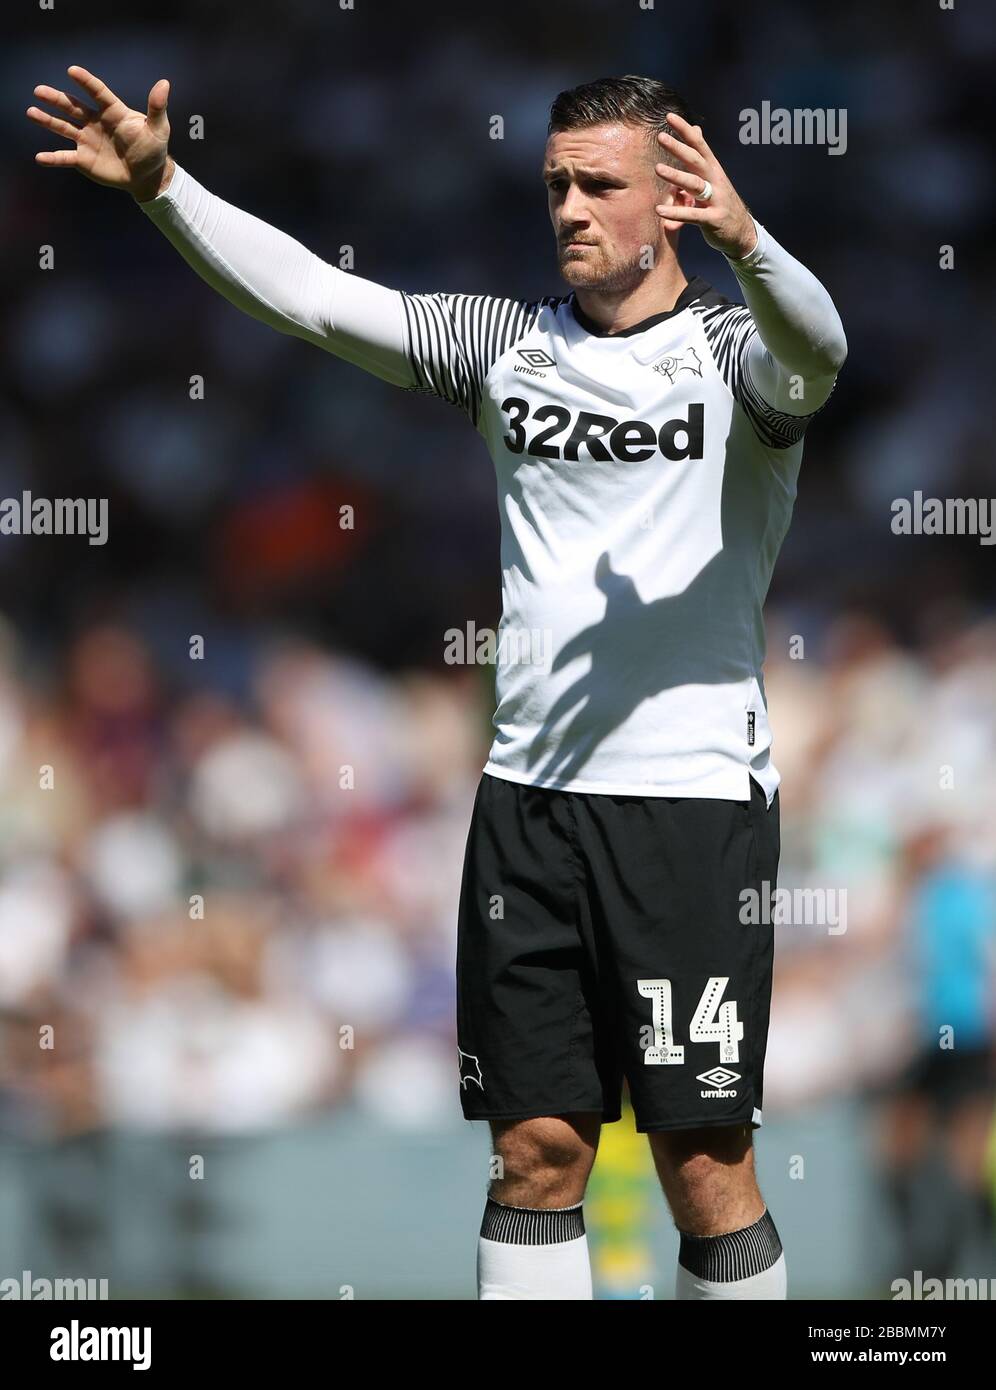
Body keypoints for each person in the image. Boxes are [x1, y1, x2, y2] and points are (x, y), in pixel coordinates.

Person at [27, 67, 846, 1300]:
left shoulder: (737, 360)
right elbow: (315, 299)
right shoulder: (504, 348)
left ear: (671, 203)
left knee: (706, 1164)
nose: (569, 209)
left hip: (693, 808)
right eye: (555, 185)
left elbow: (822, 349)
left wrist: (751, 241)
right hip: (527, 810)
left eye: (600, 186)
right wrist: (162, 187)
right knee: (535, 1154)